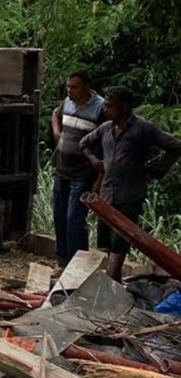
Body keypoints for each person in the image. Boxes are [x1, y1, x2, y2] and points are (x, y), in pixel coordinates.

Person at [80, 86, 181, 282]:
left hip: (129, 194)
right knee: (109, 245)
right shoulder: (105, 129)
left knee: (120, 243)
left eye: (110, 106)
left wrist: (153, 168)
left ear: (124, 107)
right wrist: (94, 160)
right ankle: (114, 285)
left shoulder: (143, 129)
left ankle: (111, 283)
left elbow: (175, 146)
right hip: (107, 194)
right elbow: (84, 143)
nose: (105, 110)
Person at [50, 72, 105, 267]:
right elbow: (55, 113)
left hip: (83, 173)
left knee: (74, 219)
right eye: (68, 87)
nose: (70, 91)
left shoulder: (100, 108)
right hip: (62, 169)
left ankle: (78, 264)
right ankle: (63, 262)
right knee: (59, 216)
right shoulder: (67, 102)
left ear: (87, 87)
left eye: (74, 87)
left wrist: (99, 178)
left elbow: (107, 142)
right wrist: (58, 134)